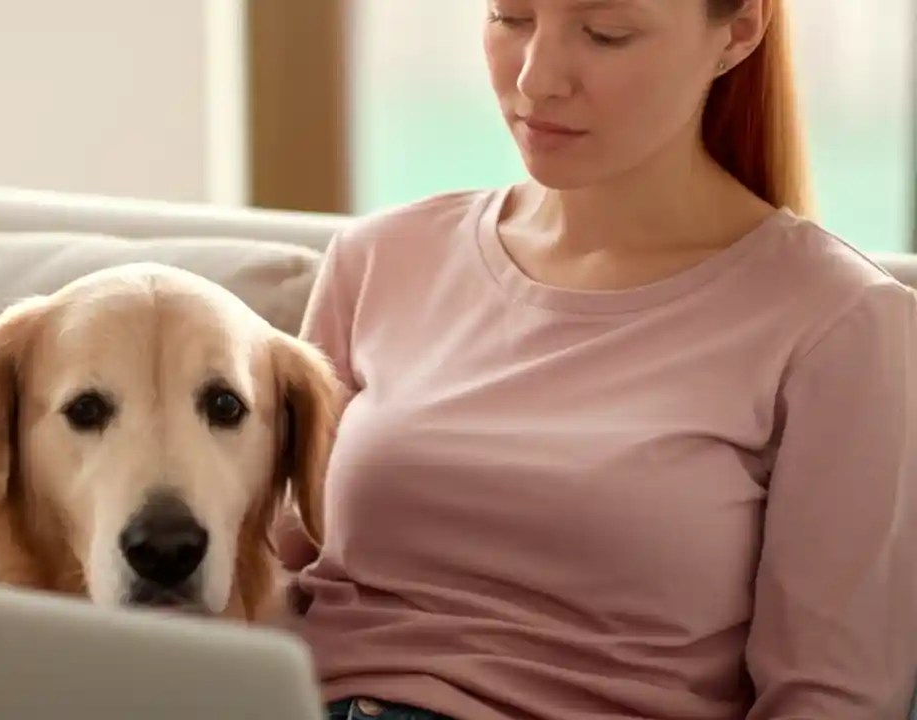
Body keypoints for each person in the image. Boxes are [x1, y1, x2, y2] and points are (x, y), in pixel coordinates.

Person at [275, 1, 917, 718]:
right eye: (510, 16)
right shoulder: (381, 258)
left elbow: (831, 702)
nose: (537, 77)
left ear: (737, 32)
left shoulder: (840, 324)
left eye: (605, 33)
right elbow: (257, 571)